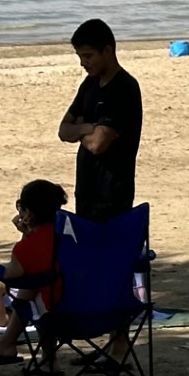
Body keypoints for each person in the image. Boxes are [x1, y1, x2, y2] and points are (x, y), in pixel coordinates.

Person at [0, 179, 69, 367]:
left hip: (60, 312)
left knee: (30, 289)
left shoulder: (30, 246)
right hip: (96, 309)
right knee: (39, 284)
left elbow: (12, 276)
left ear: (28, 213)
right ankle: (12, 347)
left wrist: (25, 236)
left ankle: (34, 355)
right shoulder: (74, 233)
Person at [58, 19, 144, 224]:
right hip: (86, 189)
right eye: (80, 57)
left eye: (88, 56)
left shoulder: (124, 88)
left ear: (107, 51)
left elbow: (98, 144)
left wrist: (77, 131)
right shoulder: (89, 84)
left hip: (112, 194)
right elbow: (62, 130)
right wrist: (87, 127)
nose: (83, 63)